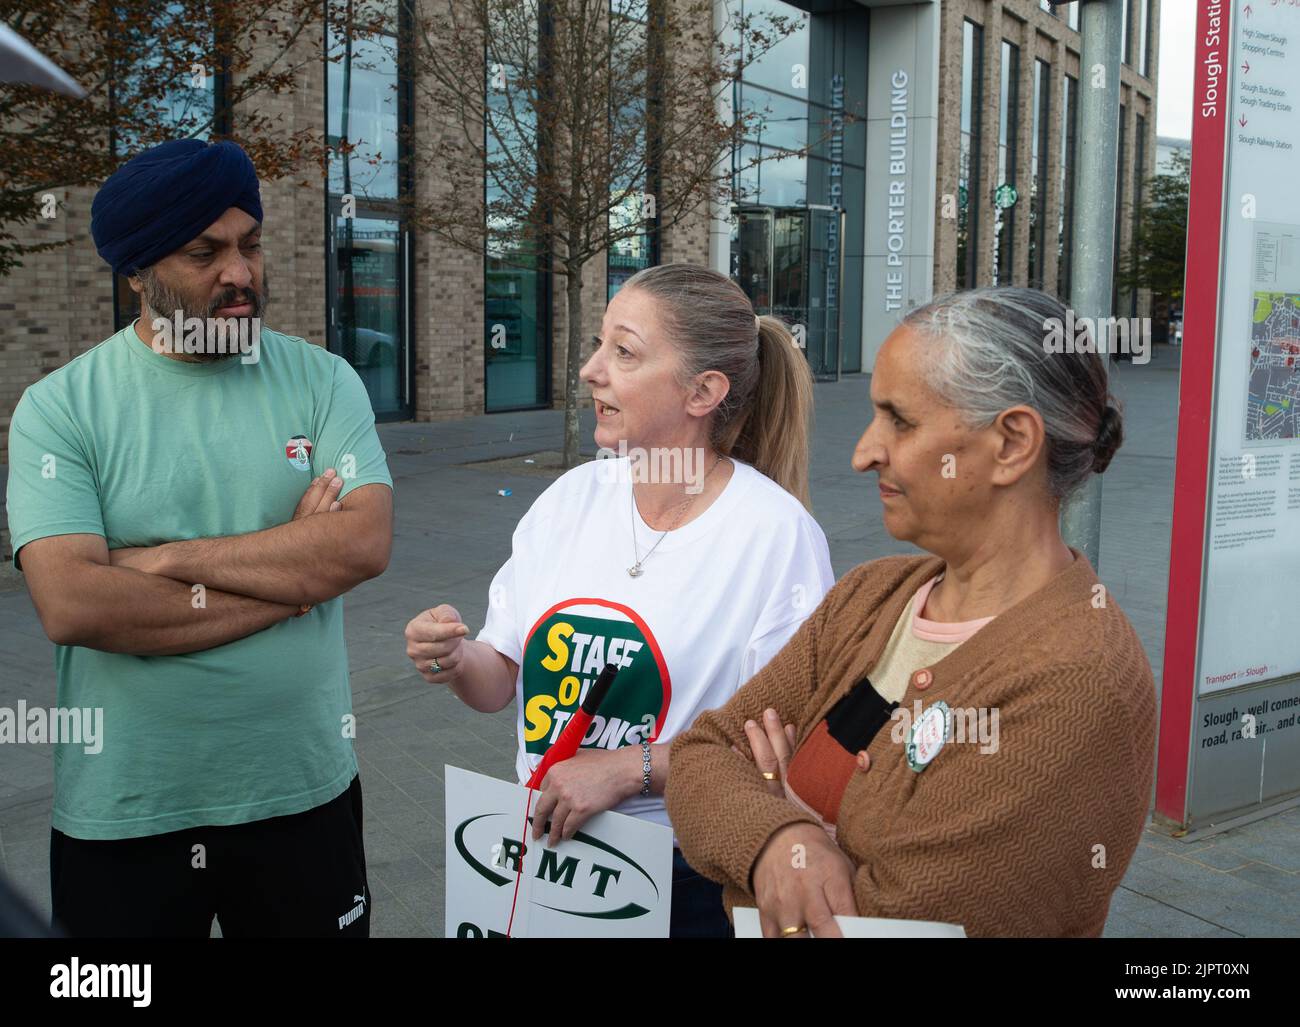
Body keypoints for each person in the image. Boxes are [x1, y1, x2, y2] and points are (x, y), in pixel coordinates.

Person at [666, 287, 1158, 938]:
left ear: (1011, 443)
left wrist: (763, 811)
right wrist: (787, 836)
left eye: (899, 420)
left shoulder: (1076, 684)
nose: (864, 452)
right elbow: (701, 755)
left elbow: (868, 929)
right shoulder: (873, 596)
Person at [5, 139, 393, 937]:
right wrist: (292, 576)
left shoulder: (324, 381)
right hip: (128, 811)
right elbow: (76, 603)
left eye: (250, 243)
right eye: (204, 252)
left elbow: (361, 545)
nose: (241, 273)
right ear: (138, 272)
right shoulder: (60, 408)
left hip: (302, 795)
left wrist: (165, 561)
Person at [404, 264, 834, 937]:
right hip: (542, 855)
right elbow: (500, 680)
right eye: (600, 344)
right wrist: (458, 657)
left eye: (624, 352)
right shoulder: (571, 500)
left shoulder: (775, 537)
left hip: (684, 880)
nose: (589, 370)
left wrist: (626, 771)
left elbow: (780, 745)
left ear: (703, 391)